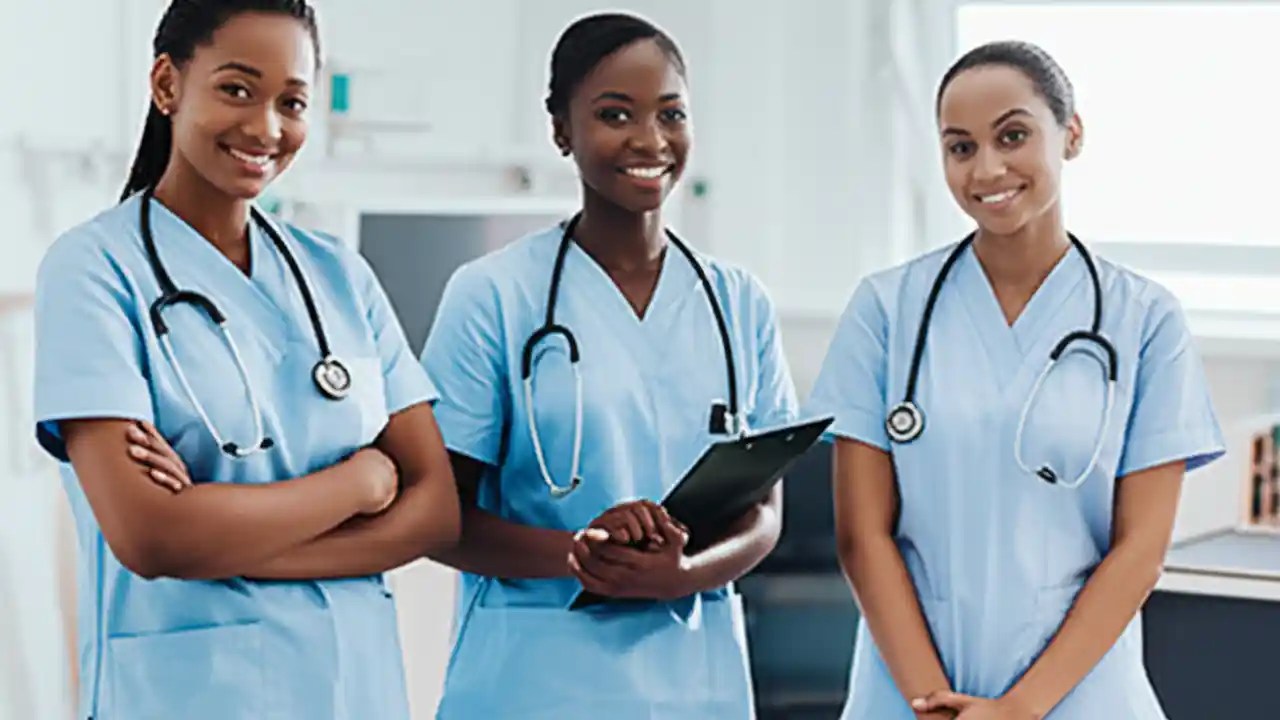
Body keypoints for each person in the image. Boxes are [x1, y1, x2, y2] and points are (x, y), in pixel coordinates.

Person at [31, 2, 460, 718]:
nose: (266, 127)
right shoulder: (94, 269)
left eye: (291, 101)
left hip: (356, 689)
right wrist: (361, 480)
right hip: (193, 693)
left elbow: (436, 511)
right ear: (168, 85)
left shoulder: (338, 275)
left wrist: (225, 539)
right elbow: (152, 534)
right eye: (237, 89)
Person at [805, 41, 1225, 719]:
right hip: (910, 689)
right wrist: (931, 704)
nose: (987, 168)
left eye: (1013, 135)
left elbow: (1140, 551)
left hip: (1079, 693)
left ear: (1072, 134)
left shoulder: (1145, 321)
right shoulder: (885, 309)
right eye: (960, 147)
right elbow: (862, 535)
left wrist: (1021, 709)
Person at [420, 12, 799, 719]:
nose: (649, 140)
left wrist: (679, 574)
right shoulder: (493, 295)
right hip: (531, 684)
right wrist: (582, 553)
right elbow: (440, 519)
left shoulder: (737, 302)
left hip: (696, 685)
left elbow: (763, 514)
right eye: (614, 114)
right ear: (562, 129)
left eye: (671, 113)